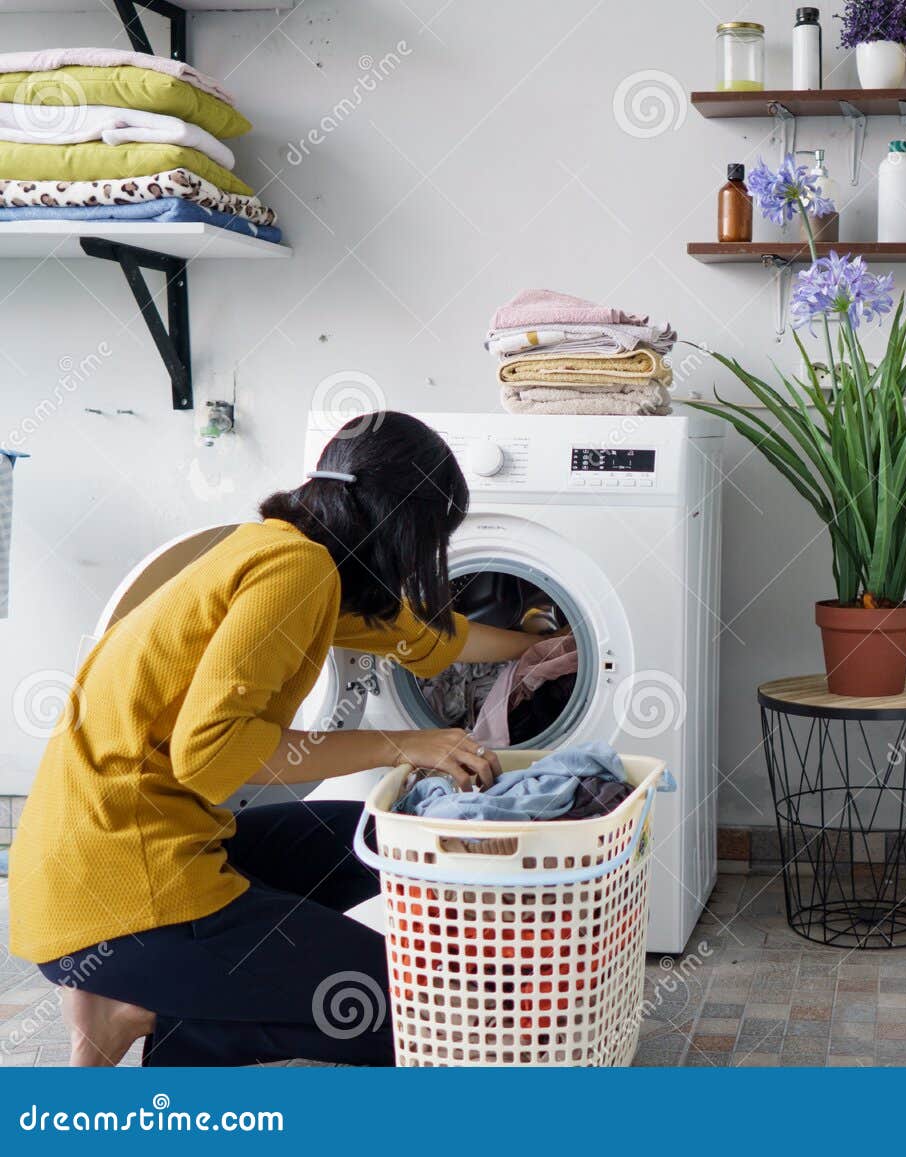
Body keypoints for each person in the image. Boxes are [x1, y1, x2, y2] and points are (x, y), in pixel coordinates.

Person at [6, 412, 543, 1066]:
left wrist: (544, 646)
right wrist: (405, 744)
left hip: (101, 862)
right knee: (425, 1016)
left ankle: (154, 999)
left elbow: (433, 643)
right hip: (128, 894)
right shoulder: (296, 572)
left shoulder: (282, 551)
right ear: (402, 527)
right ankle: (149, 1010)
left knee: (380, 837)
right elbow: (211, 756)